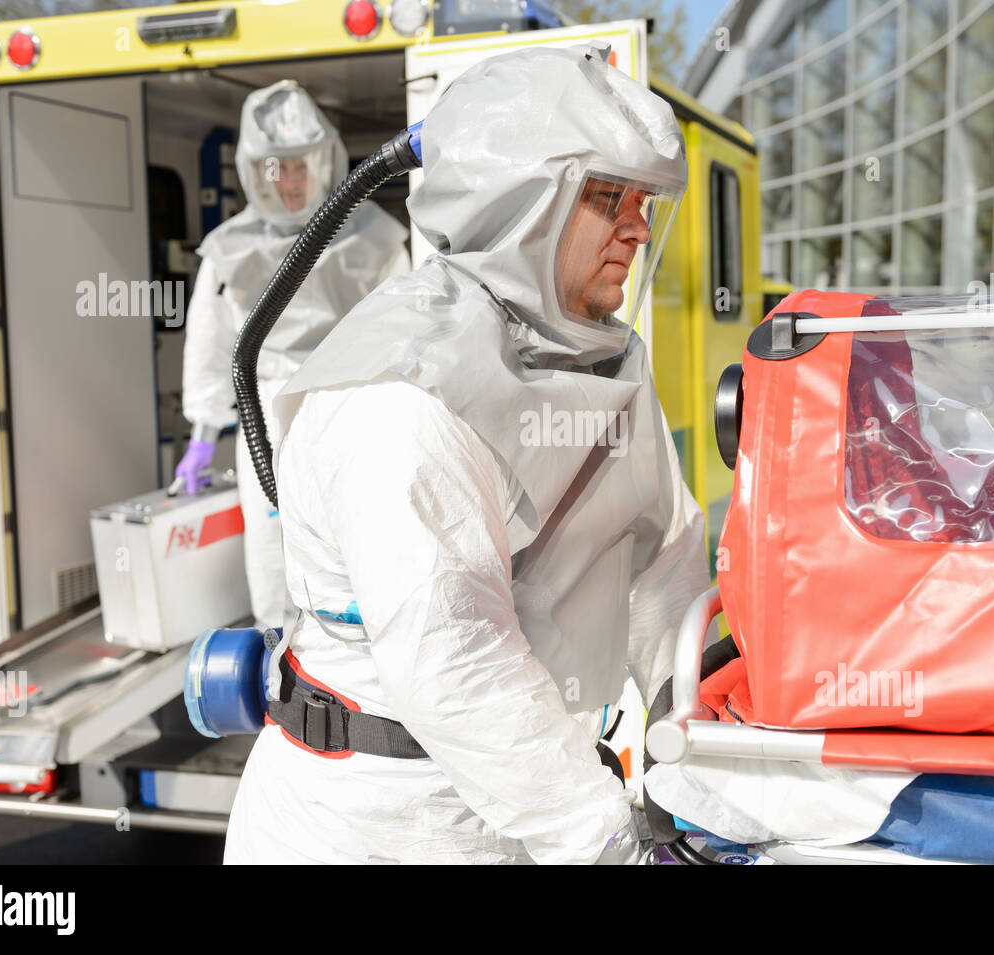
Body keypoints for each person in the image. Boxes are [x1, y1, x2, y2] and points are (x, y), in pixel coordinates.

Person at [223, 45, 709, 864]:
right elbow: (455, 660)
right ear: (519, 205)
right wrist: (610, 838)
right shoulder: (403, 392)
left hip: (522, 802)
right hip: (379, 822)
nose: (635, 226)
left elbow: (661, 562)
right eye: (605, 196)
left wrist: (694, 749)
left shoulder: (598, 363)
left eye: (642, 202)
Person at [175, 79, 411, 631]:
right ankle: (278, 679)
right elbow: (211, 344)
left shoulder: (374, 238)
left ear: (325, 162)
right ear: (255, 174)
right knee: (271, 553)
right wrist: (203, 434)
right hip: (265, 425)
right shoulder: (229, 251)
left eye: (301, 165)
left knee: (357, 552)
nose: (290, 182)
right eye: (274, 169)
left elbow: (405, 333)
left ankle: (360, 689)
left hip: (351, 418)